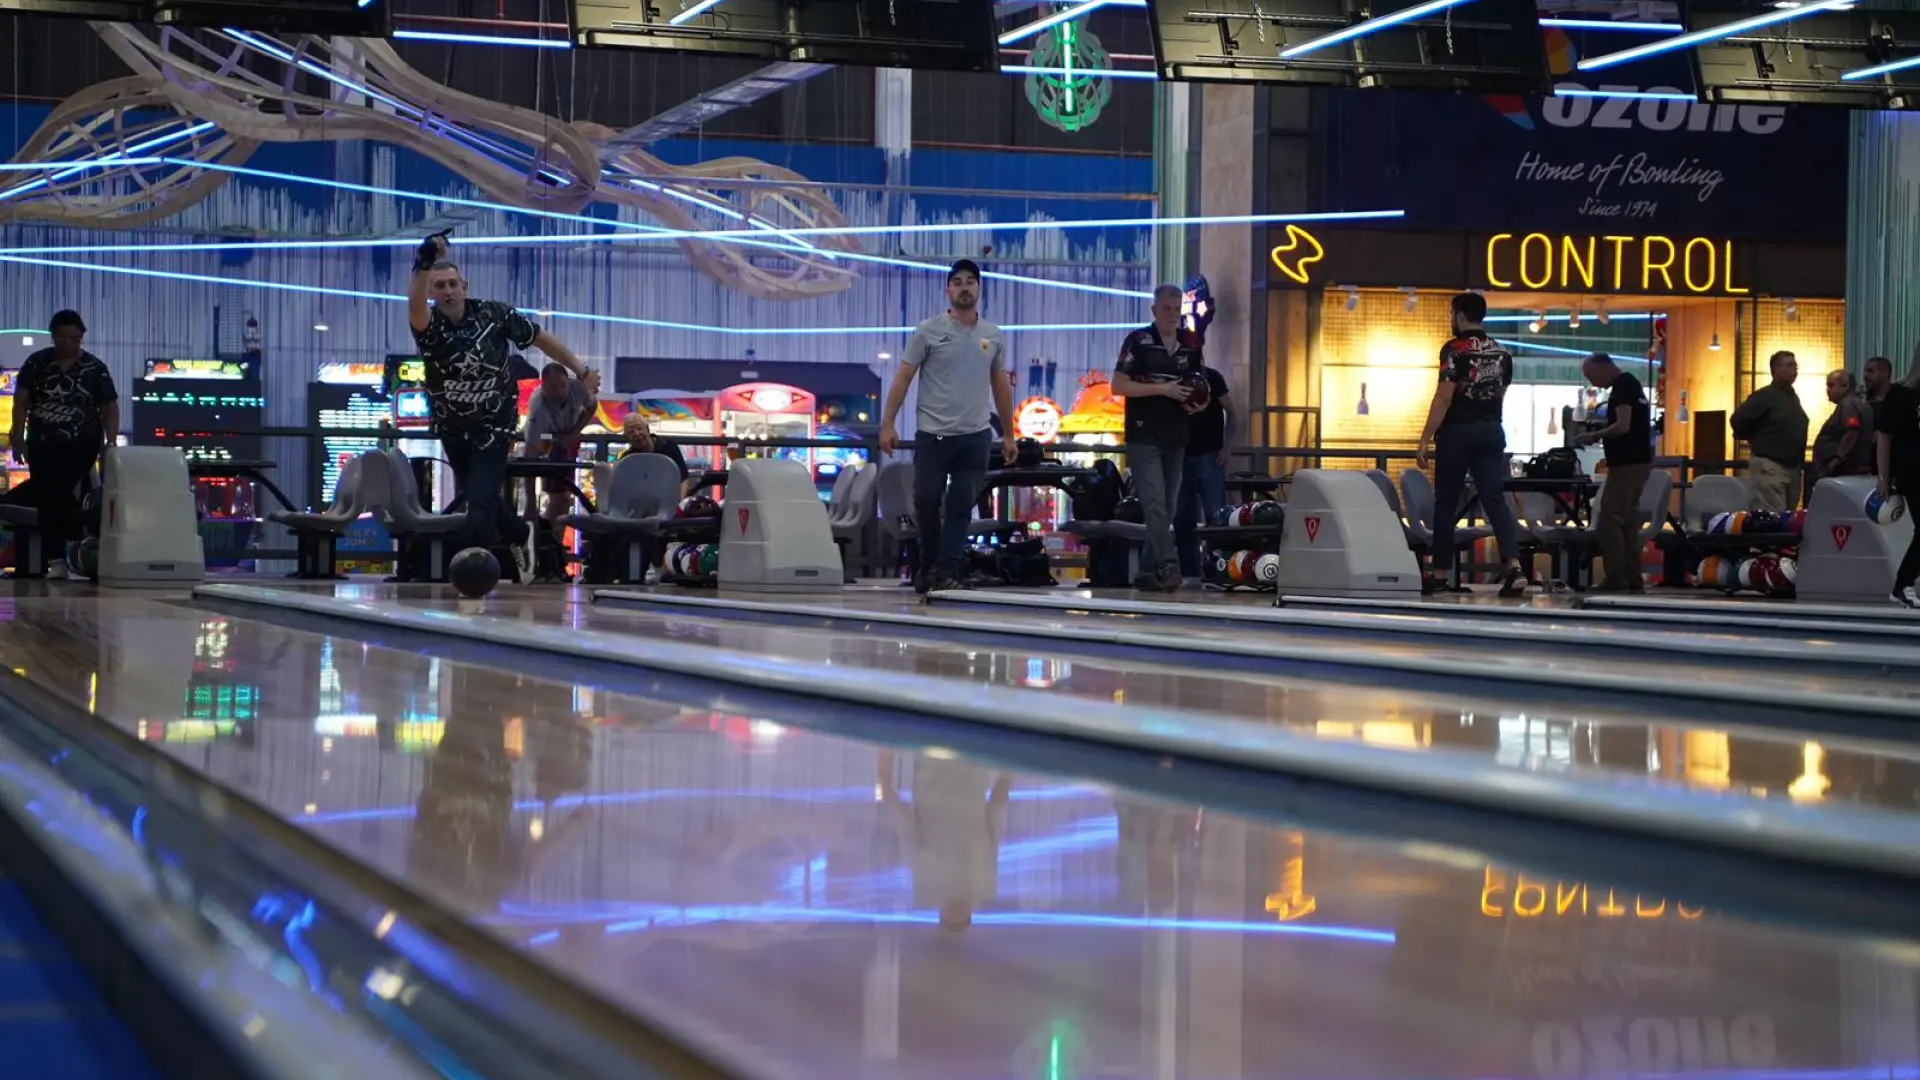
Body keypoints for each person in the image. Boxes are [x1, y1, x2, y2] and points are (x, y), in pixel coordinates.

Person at [408, 234, 598, 584]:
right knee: (476, 494)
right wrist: (422, 263)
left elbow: (541, 338)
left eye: (453, 284)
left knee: (479, 509)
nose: (448, 291)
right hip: (452, 427)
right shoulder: (429, 327)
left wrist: (580, 370)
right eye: (439, 286)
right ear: (432, 292)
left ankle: (470, 582)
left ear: (464, 286)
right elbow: (415, 305)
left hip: (494, 425)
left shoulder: (494, 315)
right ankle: (519, 533)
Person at [877, 259, 1016, 594]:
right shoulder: (928, 330)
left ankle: (947, 570)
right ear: (948, 290)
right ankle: (929, 564)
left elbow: (1000, 385)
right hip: (933, 434)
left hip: (975, 435)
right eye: (957, 282)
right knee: (926, 501)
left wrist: (1009, 434)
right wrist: (888, 423)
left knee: (960, 507)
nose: (964, 287)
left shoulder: (993, 335)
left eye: (970, 281)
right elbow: (904, 376)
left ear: (979, 288)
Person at [1416, 293, 1526, 597]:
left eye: (1452, 313)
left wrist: (1425, 437)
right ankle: (1514, 566)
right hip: (1491, 431)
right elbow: (1500, 393)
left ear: (1461, 314)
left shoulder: (1454, 350)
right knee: (1494, 499)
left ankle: (1440, 573)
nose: (1451, 319)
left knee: (1446, 503)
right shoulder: (1503, 352)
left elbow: (1444, 397)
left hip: (1457, 433)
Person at [9, 310, 118, 579]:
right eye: (64, 338)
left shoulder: (95, 368)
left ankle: (60, 556)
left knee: (54, 488)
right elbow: (21, 402)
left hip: (82, 442)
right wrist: (18, 437)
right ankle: (63, 552)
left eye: (75, 339)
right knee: (49, 493)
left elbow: (109, 407)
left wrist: (111, 442)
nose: (70, 344)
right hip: (41, 442)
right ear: (53, 337)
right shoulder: (37, 363)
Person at [1111, 285, 1206, 592]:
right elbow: (1118, 385)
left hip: (1177, 434)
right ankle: (1168, 565)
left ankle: (1147, 571)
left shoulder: (1190, 344)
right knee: (1154, 504)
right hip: (1144, 434)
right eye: (1166, 308)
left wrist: (1199, 402)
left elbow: (1200, 383)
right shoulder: (1138, 341)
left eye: (1177, 309)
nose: (1172, 315)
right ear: (1154, 310)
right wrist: (1163, 389)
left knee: (1167, 507)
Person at [1572, 353, 1653, 593]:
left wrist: (1594, 435)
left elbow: (1623, 425)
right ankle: (1632, 578)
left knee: (1610, 519)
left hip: (1626, 463)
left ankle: (1617, 577)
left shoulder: (1622, 387)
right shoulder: (1632, 385)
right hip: (1639, 462)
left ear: (1604, 367)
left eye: (1592, 376)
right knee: (1627, 521)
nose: (1593, 383)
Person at [1175, 357, 1233, 580]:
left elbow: (1232, 413)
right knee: (1183, 517)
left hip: (1210, 454)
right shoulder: (1175, 380)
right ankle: (1188, 571)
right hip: (1181, 454)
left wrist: (1226, 447)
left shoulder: (1213, 377)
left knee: (1215, 515)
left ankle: (1216, 567)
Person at [1730, 351, 1808, 512]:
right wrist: (1756, 439)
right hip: (1771, 465)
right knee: (1774, 513)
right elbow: (1738, 419)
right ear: (1776, 369)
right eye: (1789, 365)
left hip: (1792, 466)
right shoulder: (1765, 396)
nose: (1794, 369)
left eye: (1795, 365)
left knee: (1788, 516)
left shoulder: (1792, 396)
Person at [522, 361, 596, 524]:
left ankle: (552, 533)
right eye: (553, 387)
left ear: (568, 381)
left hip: (568, 435)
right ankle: (545, 530)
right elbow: (530, 457)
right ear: (543, 387)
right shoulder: (538, 406)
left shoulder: (577, 388)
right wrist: (530, 503)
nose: (560, 392)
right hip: (547, 438)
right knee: (560, 497)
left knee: (565, 497)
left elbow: (592, 406)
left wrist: (574, 433)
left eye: (563, 386)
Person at [1876, 363, 1920, 607]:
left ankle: (1904, 583)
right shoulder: (1900, 395)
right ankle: (1903, 584)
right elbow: (1884, 437)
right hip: (1912, 473)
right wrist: (1883, 477)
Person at [1811, 369, 1875, 484]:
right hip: (1851, 468)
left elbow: (1852, 432)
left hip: (1842, 469)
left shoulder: (1847, 404)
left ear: (1845, 385)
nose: (1828, 390)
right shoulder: (1860, 403)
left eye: (1831, 385)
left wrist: (1837, 460)